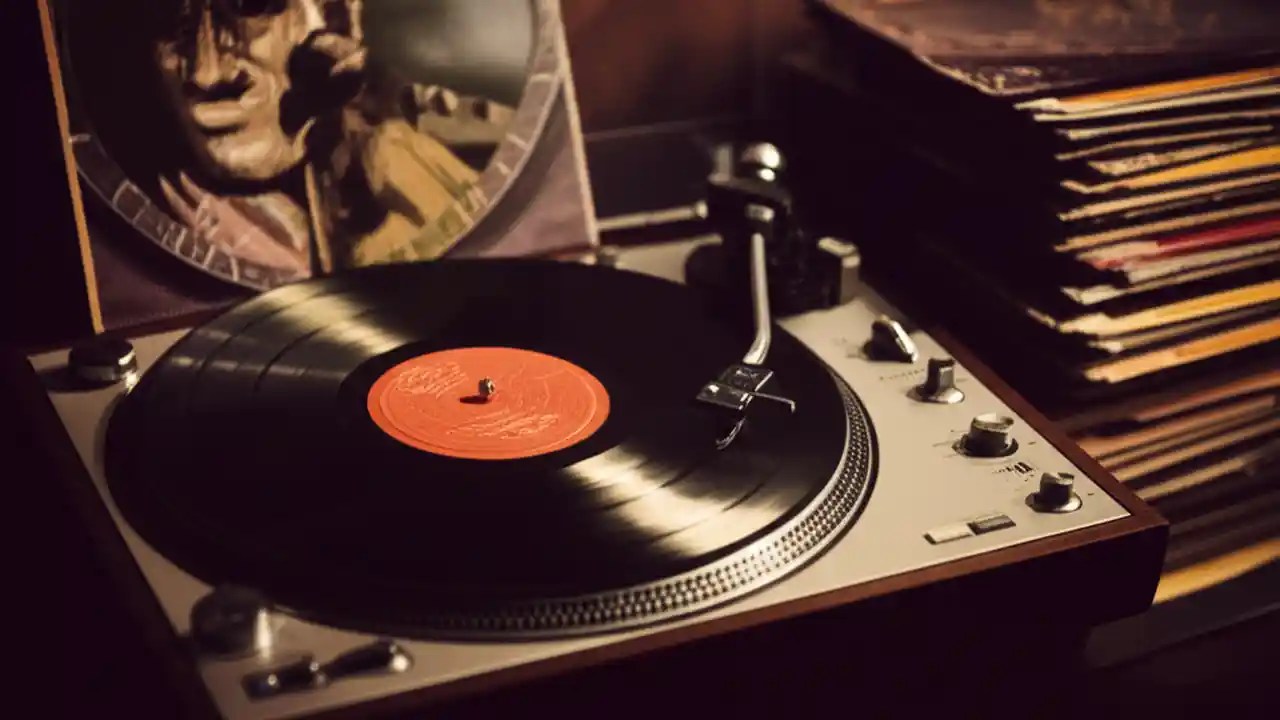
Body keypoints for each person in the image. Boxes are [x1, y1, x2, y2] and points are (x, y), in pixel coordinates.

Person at [129, 0, 498, 282]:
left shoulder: (408, 171)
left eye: (256, 4)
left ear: (338, 15)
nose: (206, 73)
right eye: (171, 23)